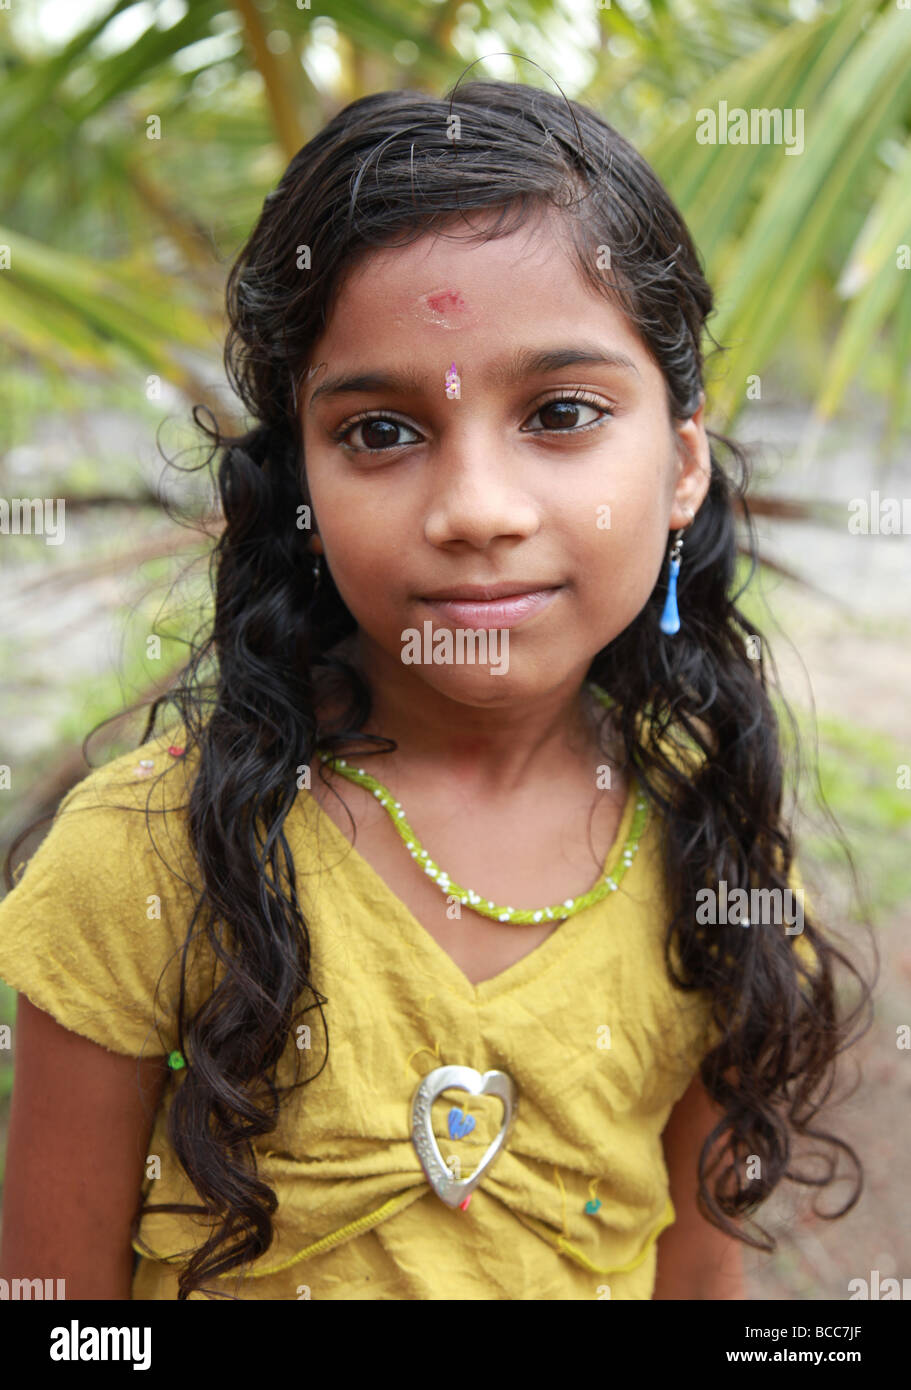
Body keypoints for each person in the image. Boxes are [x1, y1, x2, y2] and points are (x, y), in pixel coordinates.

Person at [0, 81, 869, 1301]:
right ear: (296, 475)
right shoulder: (148, 858)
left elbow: (698, 1285)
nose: (474, 511)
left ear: (678, 464)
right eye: (380, 432)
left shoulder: (707, 856)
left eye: (560, 413)